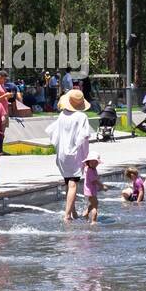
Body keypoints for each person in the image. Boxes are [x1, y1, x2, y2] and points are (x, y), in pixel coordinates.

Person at [47, 88, 92, 220]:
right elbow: (84, 136)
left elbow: (55, 134)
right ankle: (66, 215)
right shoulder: (81, 117)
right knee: (73, 184)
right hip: (74, 153)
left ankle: (73, 212)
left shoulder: (62, 115)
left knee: (68, 182)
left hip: (62, 153)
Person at [83, 156, 103, 224]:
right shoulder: (90, 170)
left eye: (96, 162)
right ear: (88, 162)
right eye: (93, 162)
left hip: (90, 190)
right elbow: (94, 181)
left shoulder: (90, 168)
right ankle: (93, 221)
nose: (95, 164)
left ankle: (86, 213)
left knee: (94, 203)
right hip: (90, 191)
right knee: (95, 206)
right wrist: (102, 186)